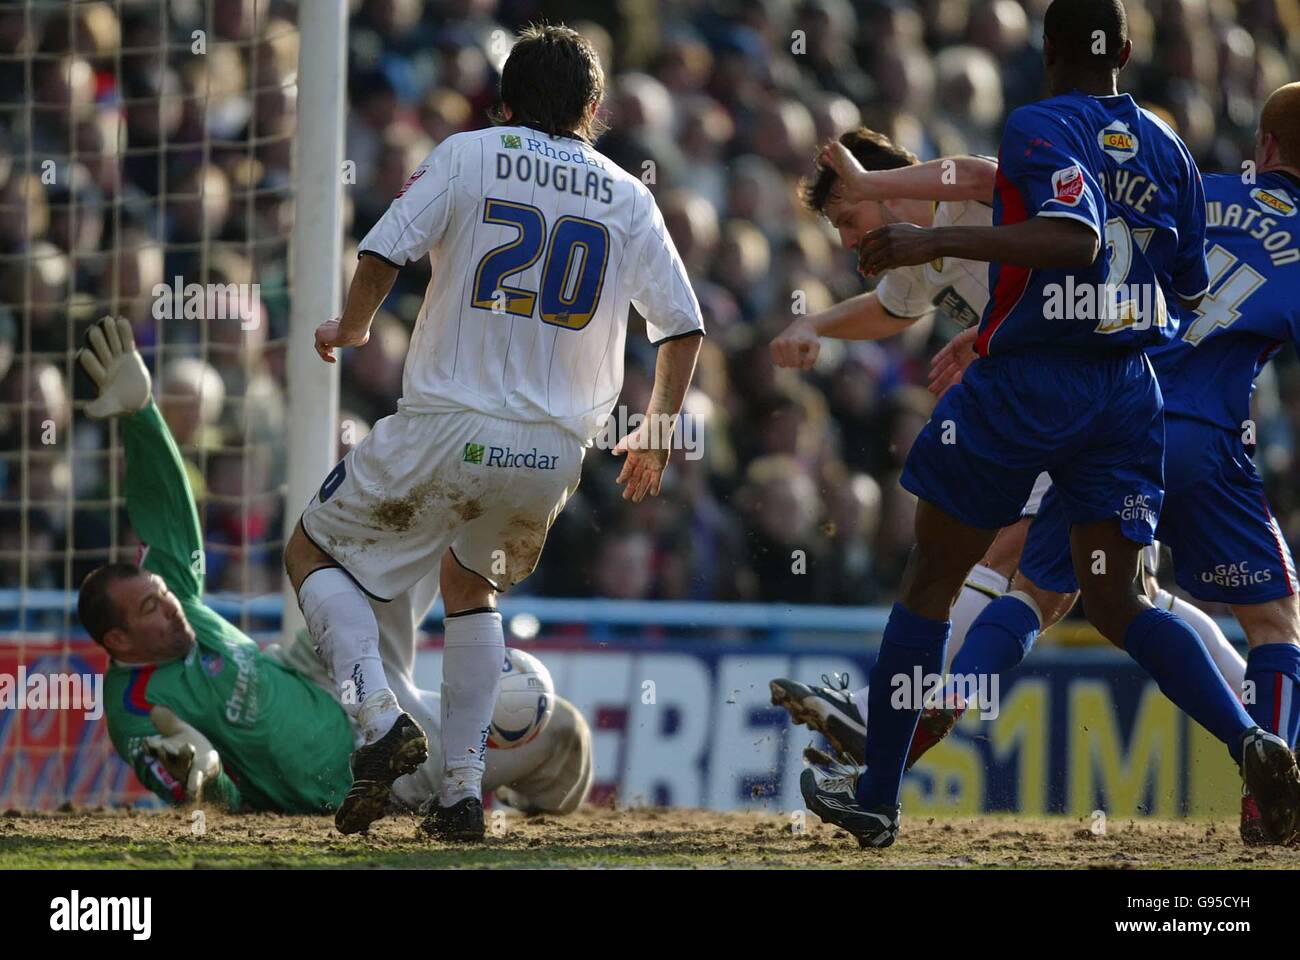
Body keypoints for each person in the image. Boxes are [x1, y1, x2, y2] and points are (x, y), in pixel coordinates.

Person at [797, 0, 1300, 849]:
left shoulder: (1039, 123)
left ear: (1047, 49)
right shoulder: (1171, 145)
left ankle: (879, 795)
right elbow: (1183, 287)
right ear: (1130, 50)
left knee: (933, 578)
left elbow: (1068, 235)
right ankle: (1252, 738)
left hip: (1031, 387)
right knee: (1117, 597)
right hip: (1129, 392)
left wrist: (925, 245)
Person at [280, 23, 704, 841]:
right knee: (472, 587)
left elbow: (383, 249)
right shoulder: (628, 194)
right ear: (593, 107)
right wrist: (654, 433)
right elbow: (681, 328)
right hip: (553, 451)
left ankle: (377, 721)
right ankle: (463, 794)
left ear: (504, 100)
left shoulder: (468, 153)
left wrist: (355, 329)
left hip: (450, 420)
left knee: (312, 552)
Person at [78, 317, 592, 820]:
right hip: (363, 772)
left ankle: (477, 416)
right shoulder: (133, 712)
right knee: (564, 730)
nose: (169, 604)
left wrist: (142, 413)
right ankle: (519, 789)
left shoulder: (177, 602)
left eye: (162, 593)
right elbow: (215, 803)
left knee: (420, 515)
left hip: (323, 667)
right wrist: (206, 783)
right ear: (119, 642)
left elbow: (166, 511)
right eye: (150, 607)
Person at [767, 130, 1061, 761]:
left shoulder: (967, 200)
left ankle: (884, 724)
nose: (846, 240)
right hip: (1057, 397)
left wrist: (986, 336)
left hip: (1096, 385)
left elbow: (983, 173)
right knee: (1124, 593)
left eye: (849, 217)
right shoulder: (911, 256)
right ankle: (1266, 743)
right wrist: (815, 322)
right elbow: (895, 311)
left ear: (886, 187)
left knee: (1011, 550)